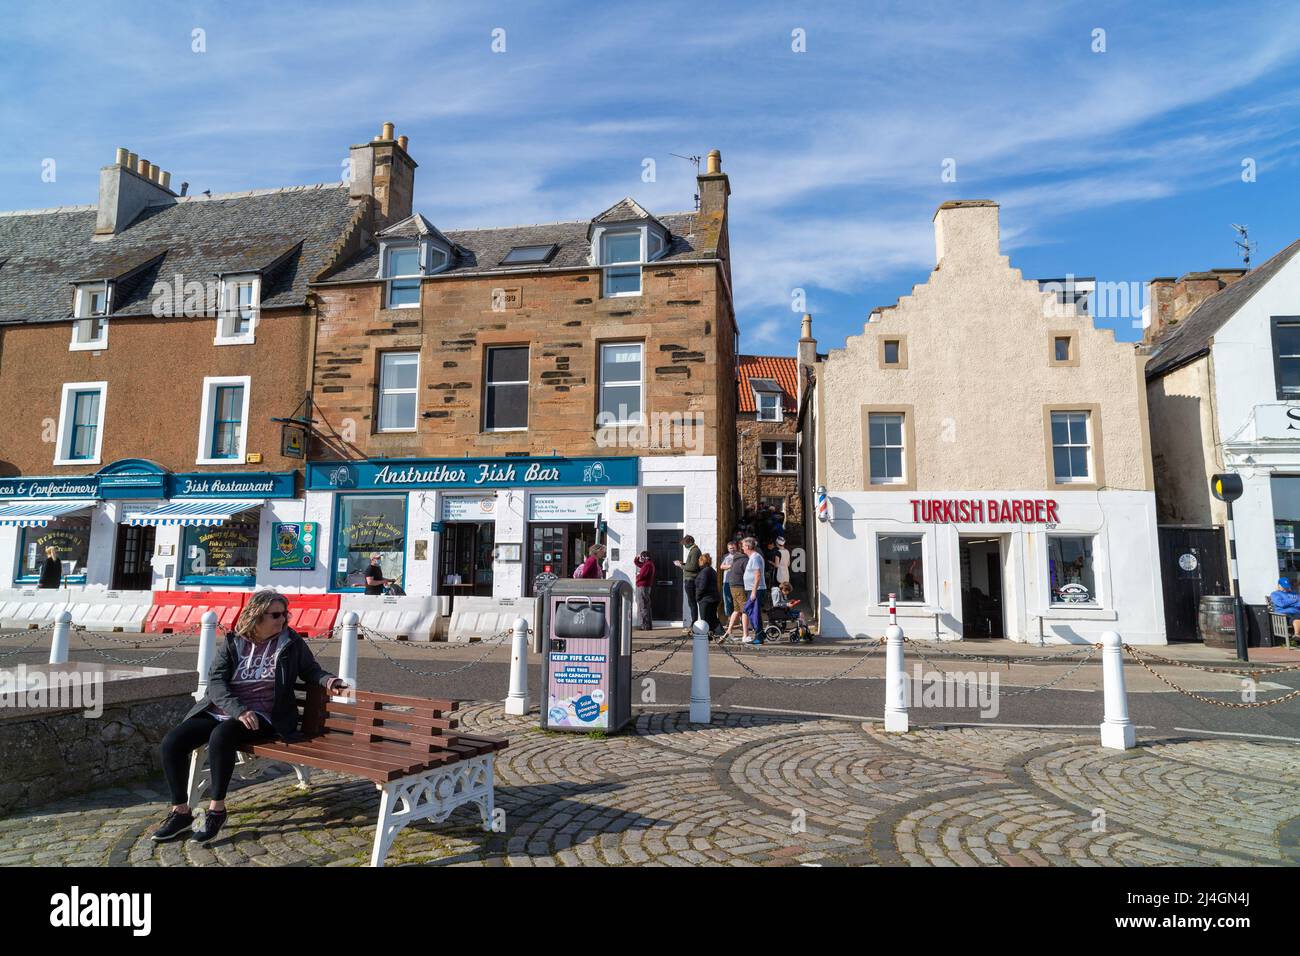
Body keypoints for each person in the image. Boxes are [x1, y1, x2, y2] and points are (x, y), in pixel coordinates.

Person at [152, 591, 346, 845]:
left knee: (222, 736)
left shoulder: (290, 642)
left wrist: (330, 680)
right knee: (173, 742)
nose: (282, 620)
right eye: (275, 615)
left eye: (285, 614)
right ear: (257, 615)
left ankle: (216, 810)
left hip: (266, 716)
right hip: (226, 710)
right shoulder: (234, 642)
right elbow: (216, 682)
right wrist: (239, 710)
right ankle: (181, 812)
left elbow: (311, 670)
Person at [674, 535, 701, 632]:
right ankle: (693, 624)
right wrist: (684, 564)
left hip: (691, 579)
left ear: (689, 542)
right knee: (692, 603)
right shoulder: (694, 550)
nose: (684, 546)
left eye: (685, 544)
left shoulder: (694, 551)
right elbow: (691, 565)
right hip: (690, 579)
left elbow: (693, 567)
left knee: (692, 603)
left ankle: (694, 624)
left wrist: (681, 565)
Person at [694, 553, 720, 633]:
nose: (698, 562)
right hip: (714, 598)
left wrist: (698, 597)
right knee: (713, 619)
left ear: (702, 561)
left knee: (704, 620)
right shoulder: (712, 570)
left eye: (699, 560)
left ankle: (705, 635)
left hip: (706, 599)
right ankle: (720, 634)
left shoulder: (704, 572)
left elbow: (702, 587)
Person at [634, 550, 656, 630]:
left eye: (641, 557)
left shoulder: (648, 565)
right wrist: (636, 559)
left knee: (643, 606)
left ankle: (645, 625)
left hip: (643, 587)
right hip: (646, 587)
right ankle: (647, 625)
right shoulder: (648, 564)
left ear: (644, 557)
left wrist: (637, 575)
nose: (641, 559)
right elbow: (638, 564)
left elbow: (642, 575)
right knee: (646, 605)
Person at [719, 541, 739, 619]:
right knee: (727, 600)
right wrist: (731, 565)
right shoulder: (725, 556)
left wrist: (728, 566)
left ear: (736, 547)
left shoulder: (739, 556)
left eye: (733, 548)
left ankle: (741, 619)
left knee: (737, 600)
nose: (732, 550)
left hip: (737, 581)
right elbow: (721, 567)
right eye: (730, 548)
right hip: (727, 581)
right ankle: (729, 619)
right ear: (728, 549)